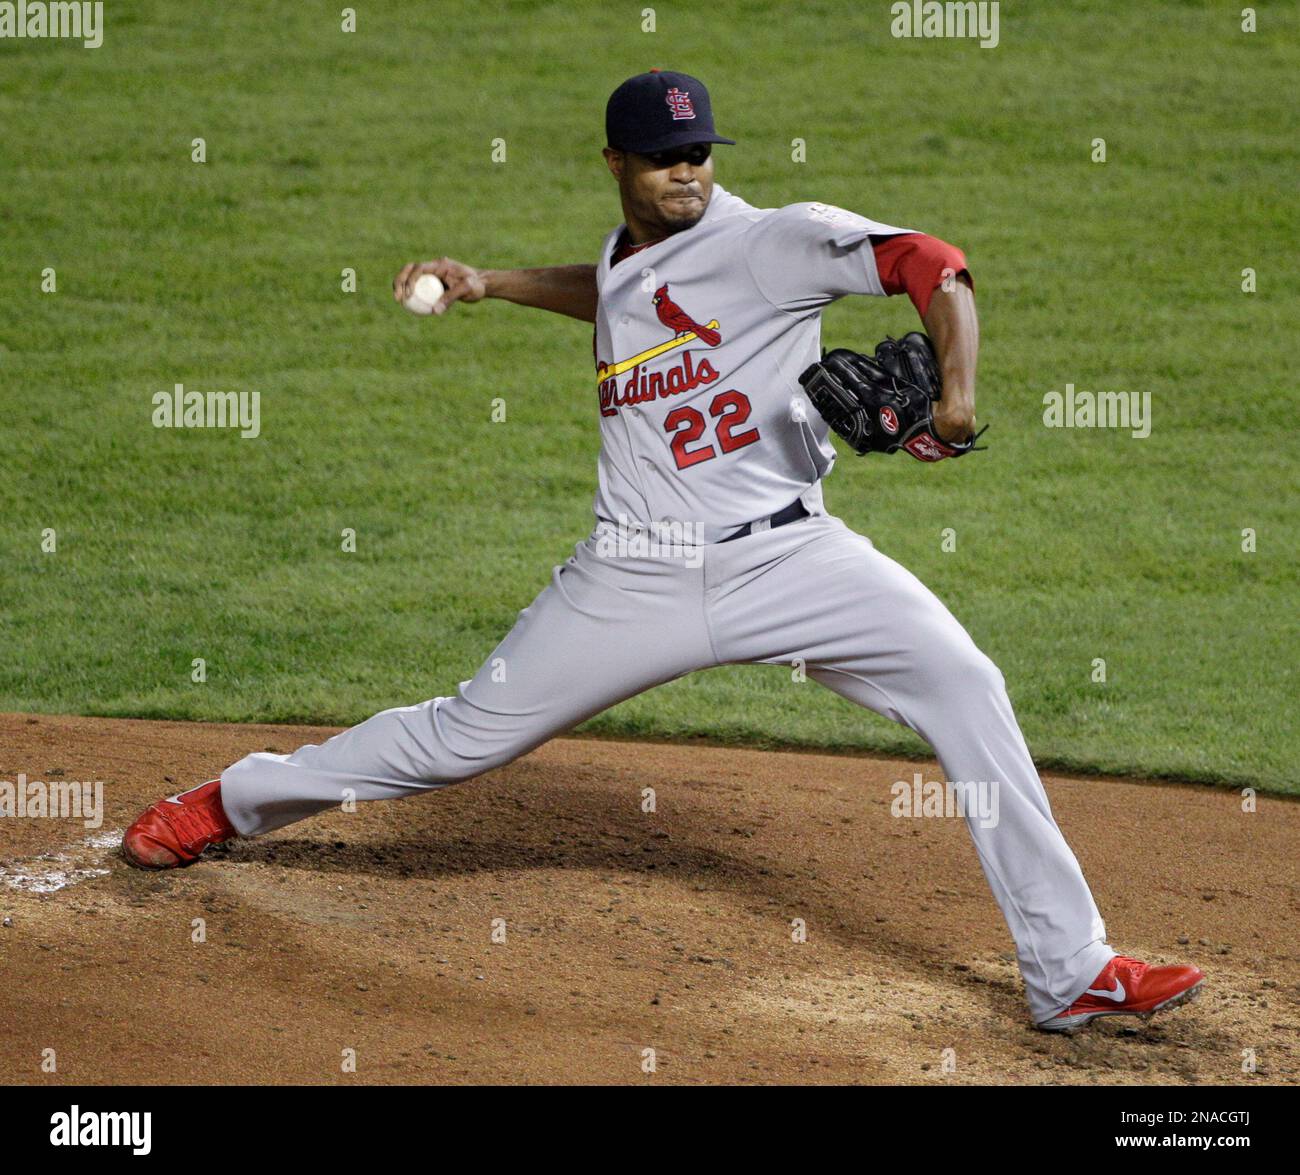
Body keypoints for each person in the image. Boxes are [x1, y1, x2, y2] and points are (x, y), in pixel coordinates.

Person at [124, 69, 1204, 1033]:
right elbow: (617, 294)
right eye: (662, 157)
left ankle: (1070, 970)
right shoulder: (629, 254)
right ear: (616, 164)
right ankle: (230, 801)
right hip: (630, 574)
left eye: (698, 152)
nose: (686, 171)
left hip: (793, 563)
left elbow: (933, 263)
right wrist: (491, 281)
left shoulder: (772, 239)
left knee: (966, 682)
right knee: (459, 738)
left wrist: (956, 398)